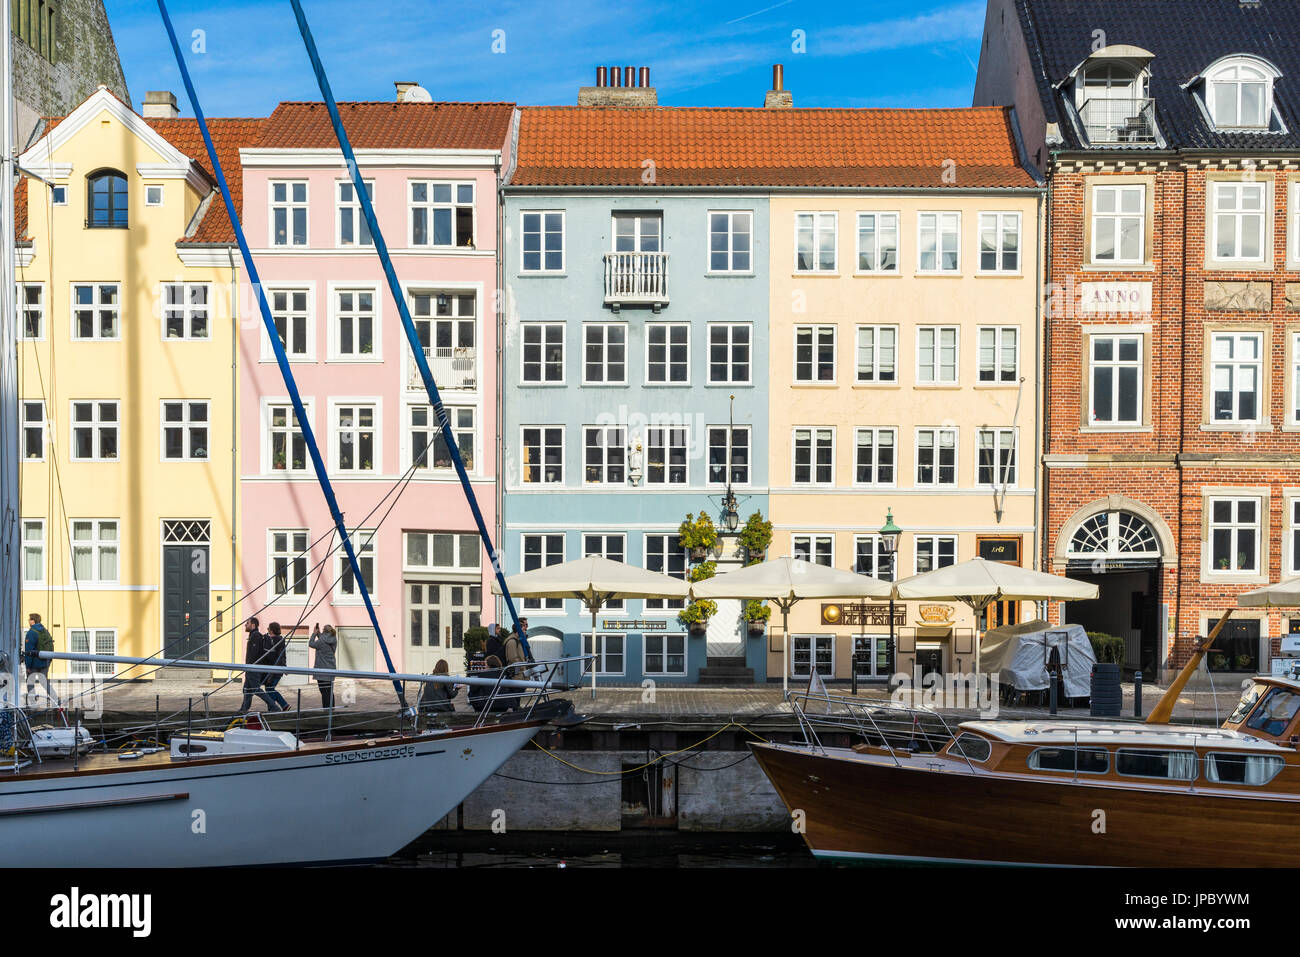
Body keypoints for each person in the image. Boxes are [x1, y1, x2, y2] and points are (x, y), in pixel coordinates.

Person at [238, 617, 278, 712]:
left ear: (253, 625)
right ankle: (244, 709)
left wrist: (249, 665)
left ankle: (273, 706)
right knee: (247, 689)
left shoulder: (256, 636)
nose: (245, 625)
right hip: (251, 668)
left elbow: (254, 654)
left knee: (255, 688)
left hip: (253, 668)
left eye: (247, 623)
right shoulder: (253, 635)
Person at [22, 613, 56, 705]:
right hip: (45, 661)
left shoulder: (31, 633)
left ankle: (33, 702)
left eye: (29, 619)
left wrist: (28, 666)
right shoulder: (45, 631)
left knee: (30, 681)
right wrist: (48, 661)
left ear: (33, 621)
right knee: (44, 681)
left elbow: (29, 652)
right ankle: (55, 698)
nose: (28, 621)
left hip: (34, 663)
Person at [262, 623, 291, 712]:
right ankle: (279, 706)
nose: (267, 630)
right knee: (270, 689)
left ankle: (277, 706)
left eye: (268, 629)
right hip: (278, 669)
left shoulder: (274, 640)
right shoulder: (279, 640)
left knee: (269, 689)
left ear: (271, 630)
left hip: (274, 670)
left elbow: (271, 655)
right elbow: (281, 656)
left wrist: (266, 639)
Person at [308, 623, 337, 709]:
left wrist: (314, 633)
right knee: (330, 691)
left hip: (321, 670)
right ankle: (332, 709)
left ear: (324, 631)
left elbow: (311, 644)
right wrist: (319, 633)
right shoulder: (334, 638)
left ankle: (326, 710)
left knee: (324, 692)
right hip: (331, 669)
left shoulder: (321, 641)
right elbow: (324, 640)